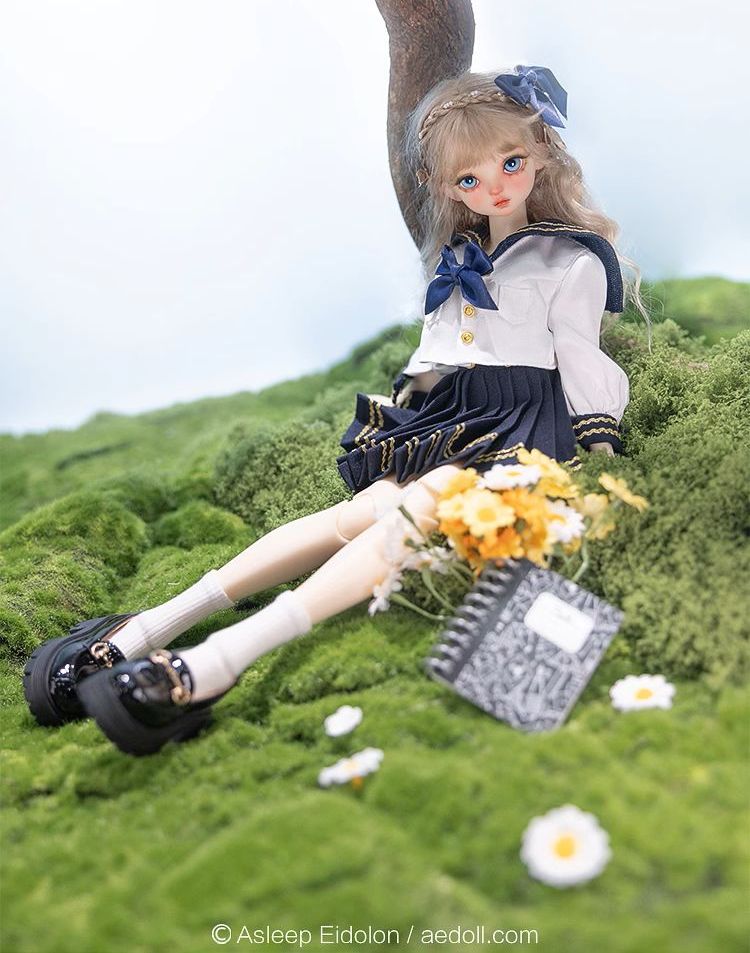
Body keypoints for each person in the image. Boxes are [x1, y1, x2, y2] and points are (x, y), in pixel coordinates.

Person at [22, 65, 646, 756]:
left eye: (511, 163)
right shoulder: (460, 257)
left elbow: (580, 356)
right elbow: (441, 347)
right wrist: (411, 404)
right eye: (470, 178)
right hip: (458, 415)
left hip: (524, 424)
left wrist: (598, 444)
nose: (495, 186)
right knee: (366, 510)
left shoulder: (570, 261)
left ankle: (219, 659)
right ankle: (151, 626)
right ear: (446, 188)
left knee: (428, 499)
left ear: (541, 154)